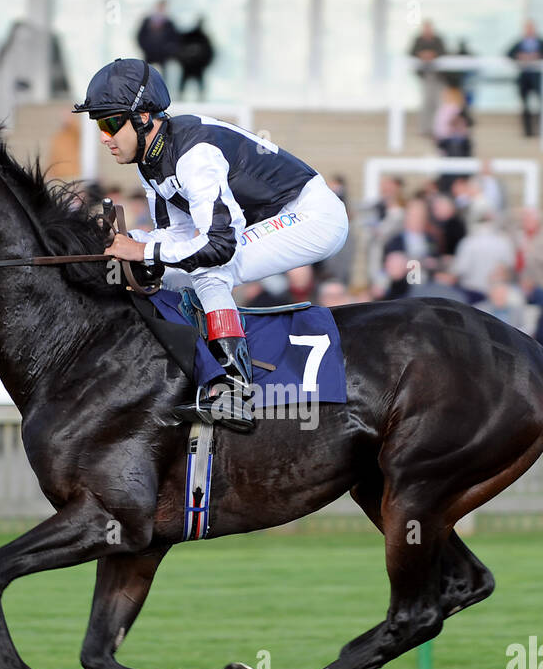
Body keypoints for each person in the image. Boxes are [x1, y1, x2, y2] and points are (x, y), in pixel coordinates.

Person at [74, 58, 349, 433]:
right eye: (98, 125)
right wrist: (122, 242)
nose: (104, 136)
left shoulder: (193, 155)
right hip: (273, 217)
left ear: (143, 117)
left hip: (314, 216)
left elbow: (217, 245)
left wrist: (141, 250)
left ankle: (233, 389)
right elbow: (176, 237)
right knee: (171, 274)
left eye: (109, 122)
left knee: (211, 269)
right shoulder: (150, 159)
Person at [506, 20, 543, 138]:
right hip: (524, 79)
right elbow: (508, 53)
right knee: (525, 106)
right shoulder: (519, 44)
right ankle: (528, 132)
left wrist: (537, 56)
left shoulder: (542, 43)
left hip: (538, 79)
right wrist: (520, 56)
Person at [137, 0, 180, 72]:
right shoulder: (147, 21)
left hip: (163, 55)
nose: (161, 9)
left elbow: (175, 38)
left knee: (163, 76)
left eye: (163, 7)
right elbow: (140, 37)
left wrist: (168, 50)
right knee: (146, 74)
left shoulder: (169, 22)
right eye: (160, 6)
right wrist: (146, 48)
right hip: (149, 54)